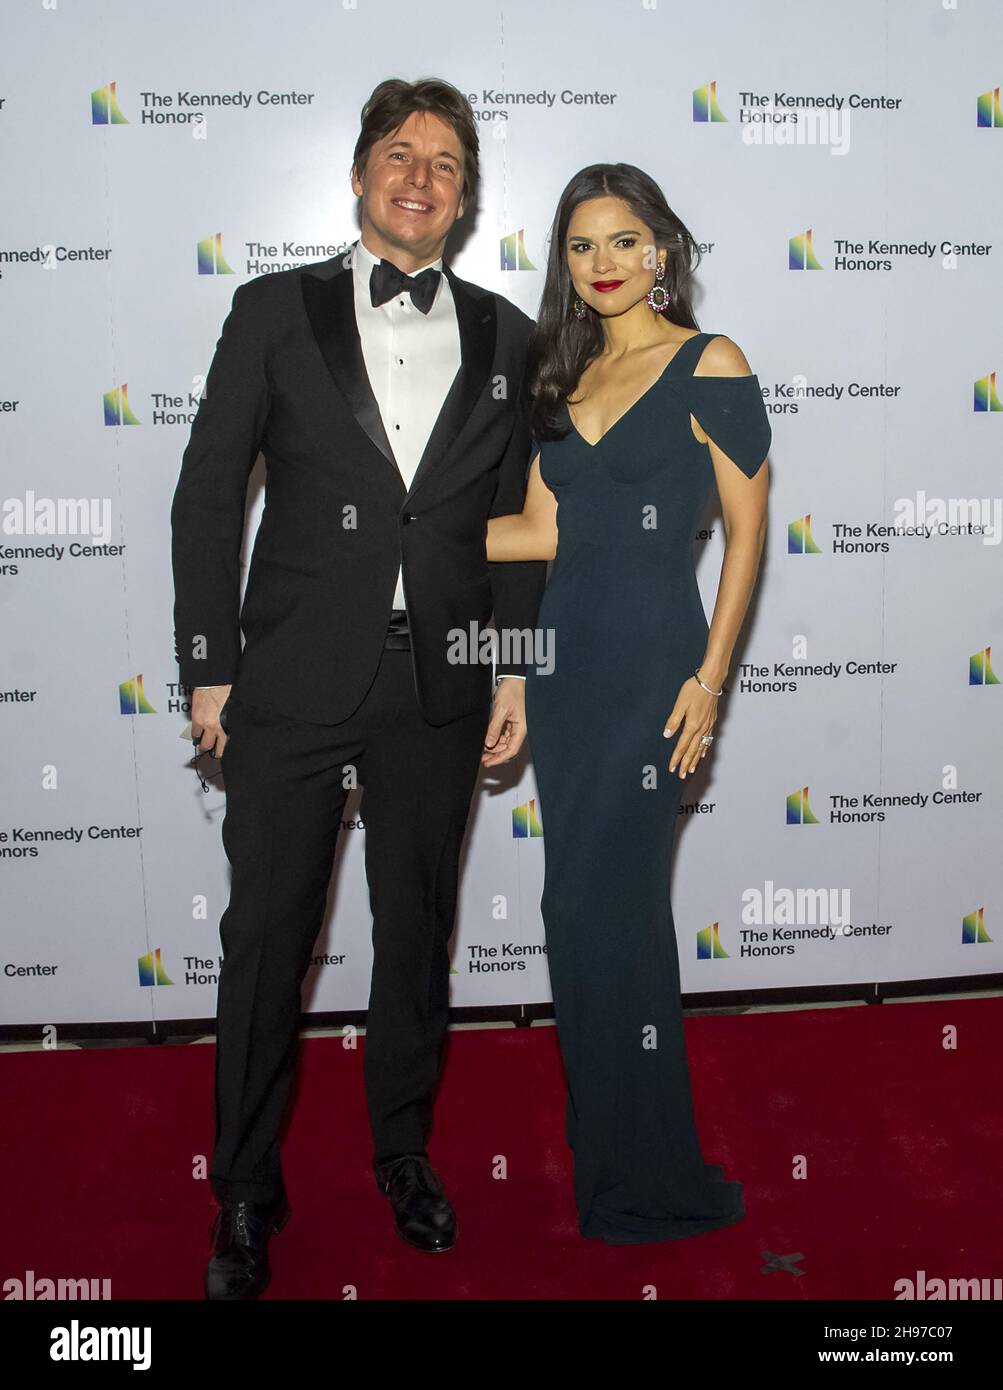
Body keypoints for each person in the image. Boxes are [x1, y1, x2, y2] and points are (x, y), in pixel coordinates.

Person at [171, 77, 545, 1298]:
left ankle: (402, 1154)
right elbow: (208, 494)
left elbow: (517, 526)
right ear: (358, 173)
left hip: (437, 684)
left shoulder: (505, 334)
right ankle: (242, 1187)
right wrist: (208, 665)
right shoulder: (272, 310)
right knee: (264, 943)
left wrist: (509, 667)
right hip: (287, 680)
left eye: (444, 162)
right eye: (399, 153)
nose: (420, 176)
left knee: (414, 941)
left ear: (464, 196)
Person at [486, 163, 771, 1243]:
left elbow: (747, 531)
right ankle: (616, 1159)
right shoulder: (563, 382)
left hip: (657, 667)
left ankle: (650, 1175)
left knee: (619, 915)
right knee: (580, 911)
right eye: (579, 246)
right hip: (566, 666)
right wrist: (409, 533)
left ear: (663, 251)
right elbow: (541, 533)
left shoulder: (713, 363)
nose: (601, 264)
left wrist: (710, 679)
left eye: (622, 241)